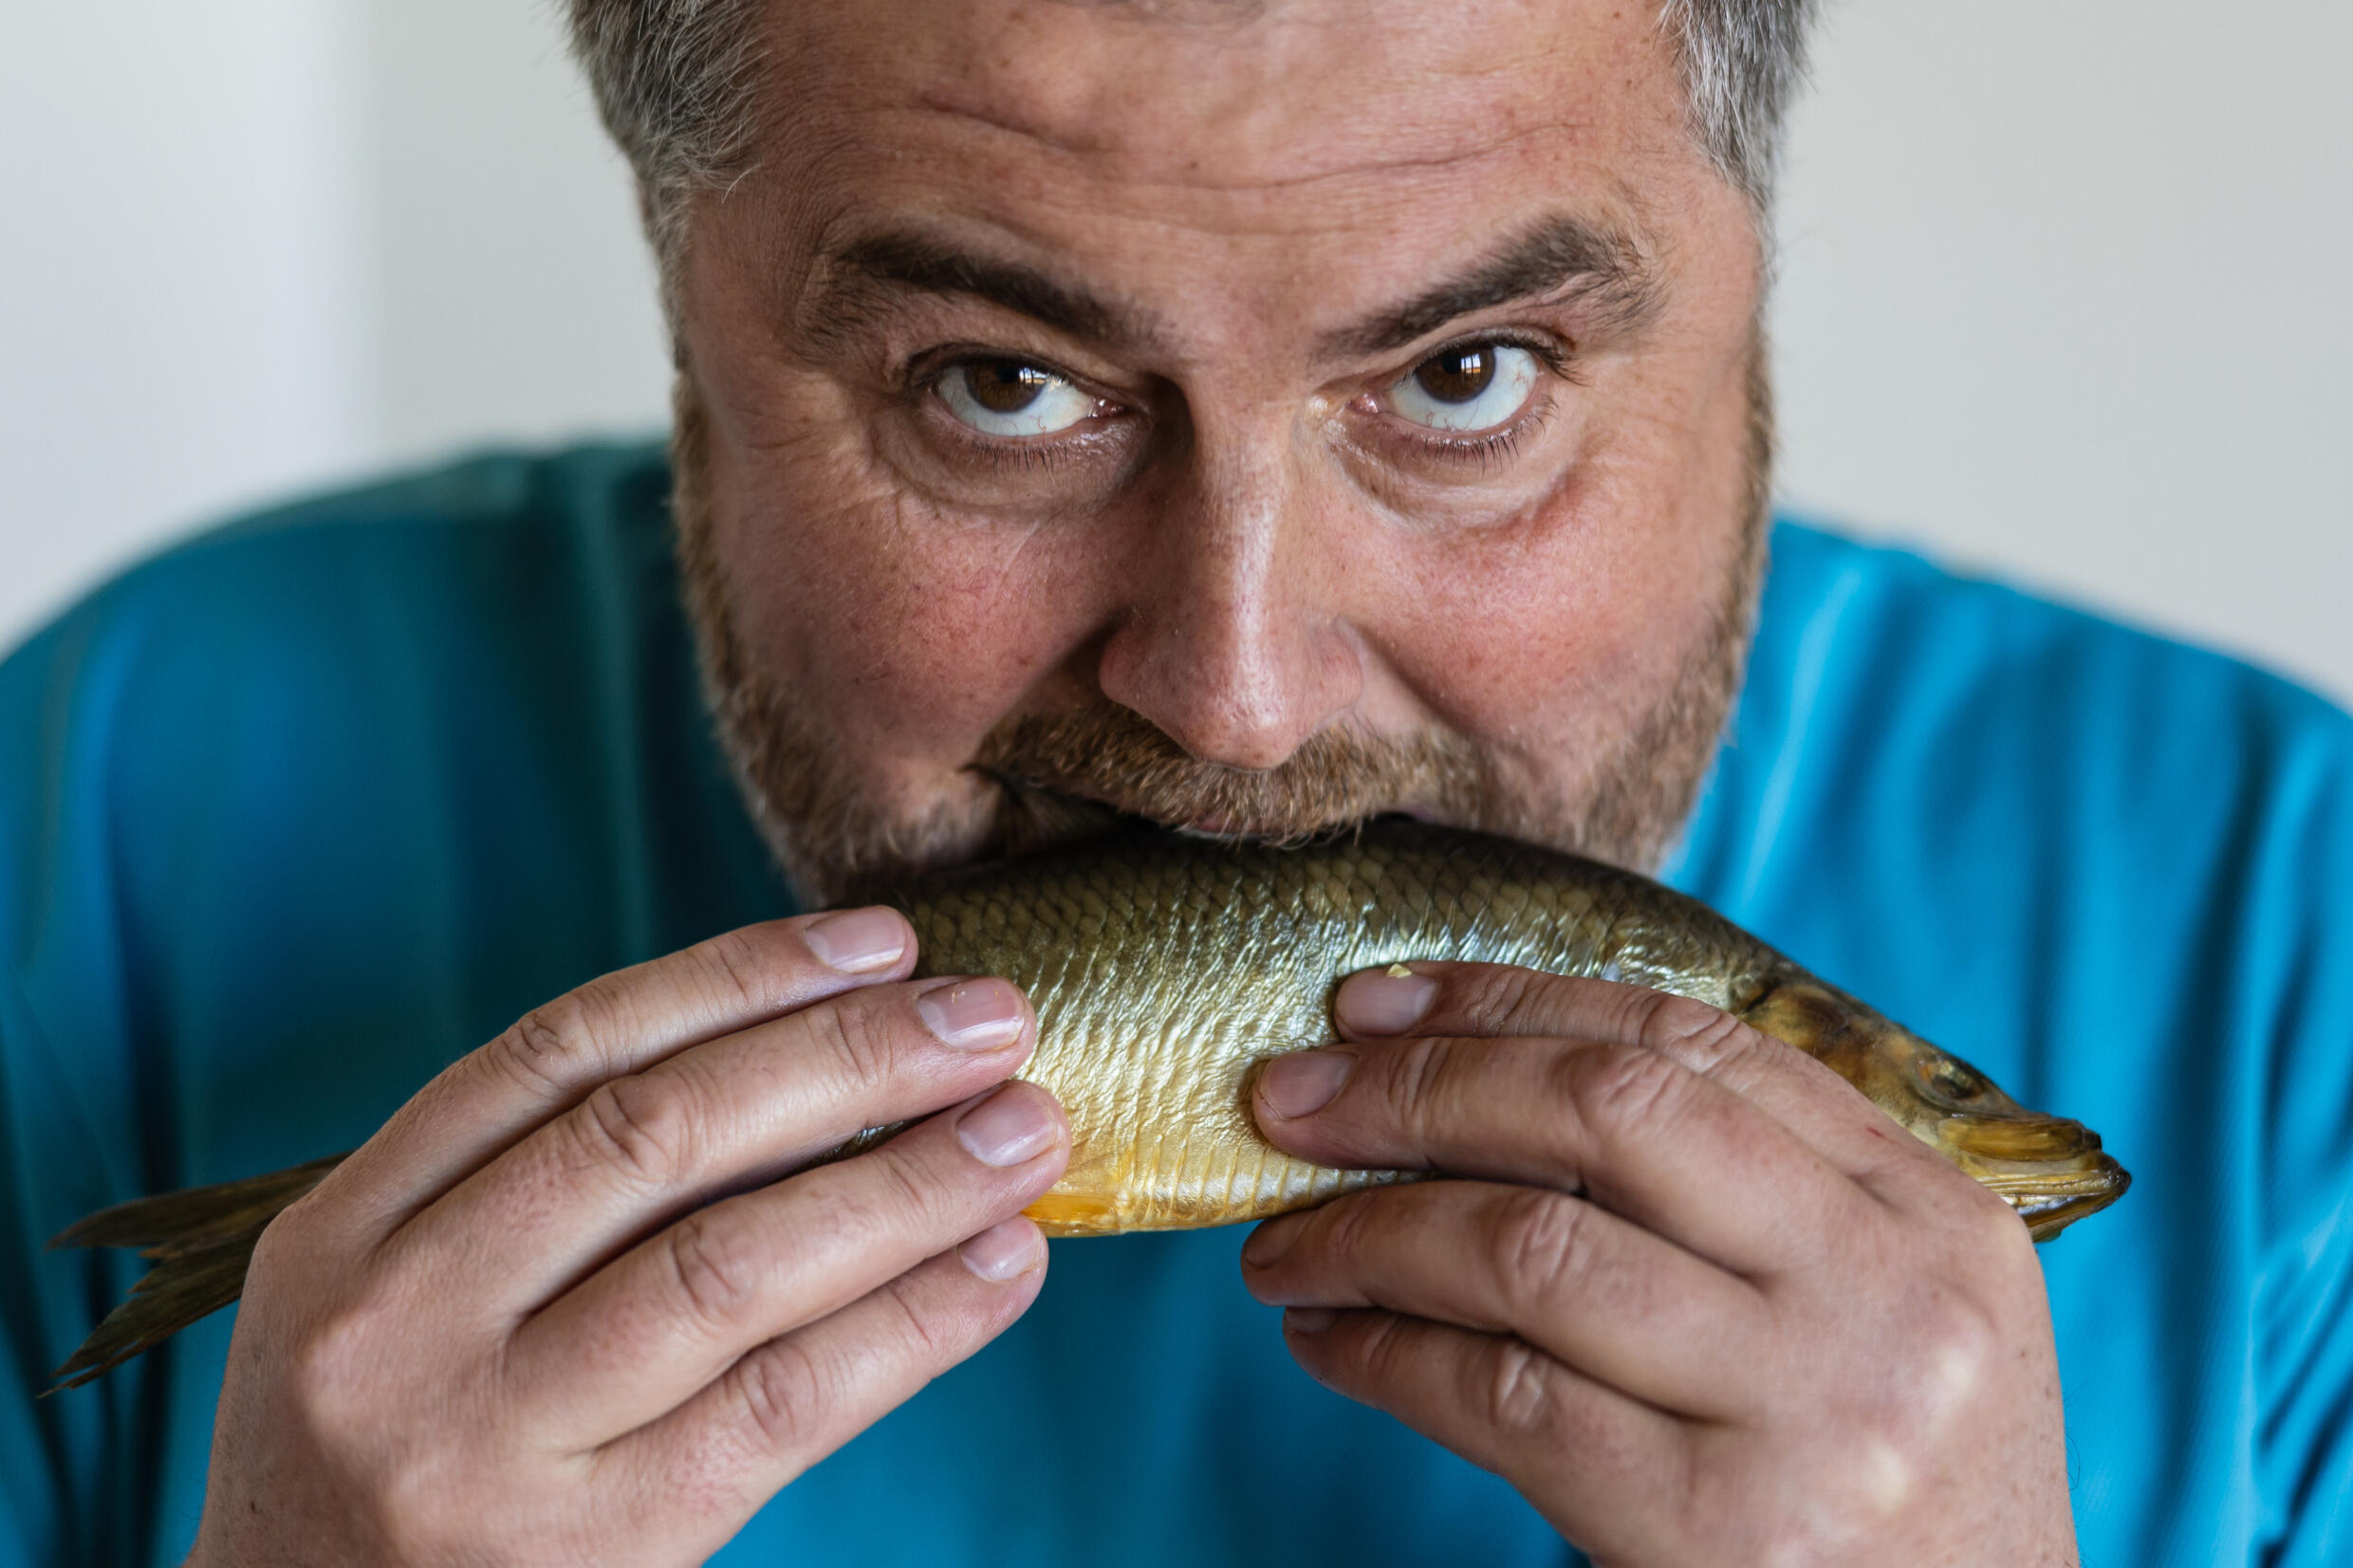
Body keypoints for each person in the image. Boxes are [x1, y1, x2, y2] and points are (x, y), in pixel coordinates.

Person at [2, 0, 2347, 1562]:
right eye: (998, 386)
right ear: (674, 296)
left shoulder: (2297, 951)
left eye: (1466, 377)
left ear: (1755, 289)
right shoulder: (105, 797)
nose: (1234, 697)